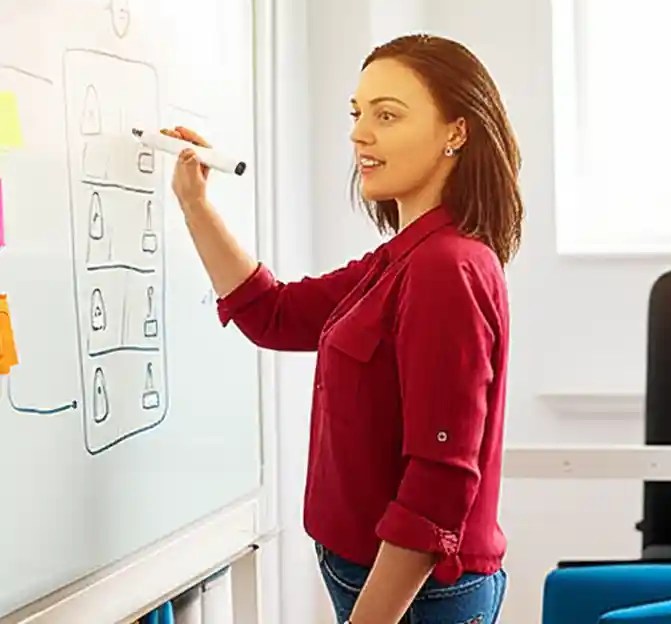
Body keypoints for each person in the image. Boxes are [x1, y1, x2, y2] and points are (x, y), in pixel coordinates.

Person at [168, 33, 522, 624]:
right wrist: (195, 205)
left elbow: (439, 484)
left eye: (388, 115)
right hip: (381, 584)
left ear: (456, 132)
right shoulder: (402, 259)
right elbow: (272, 314)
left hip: (414, 600)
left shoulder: (445, 267)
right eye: (358, 114)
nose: (360, 133)